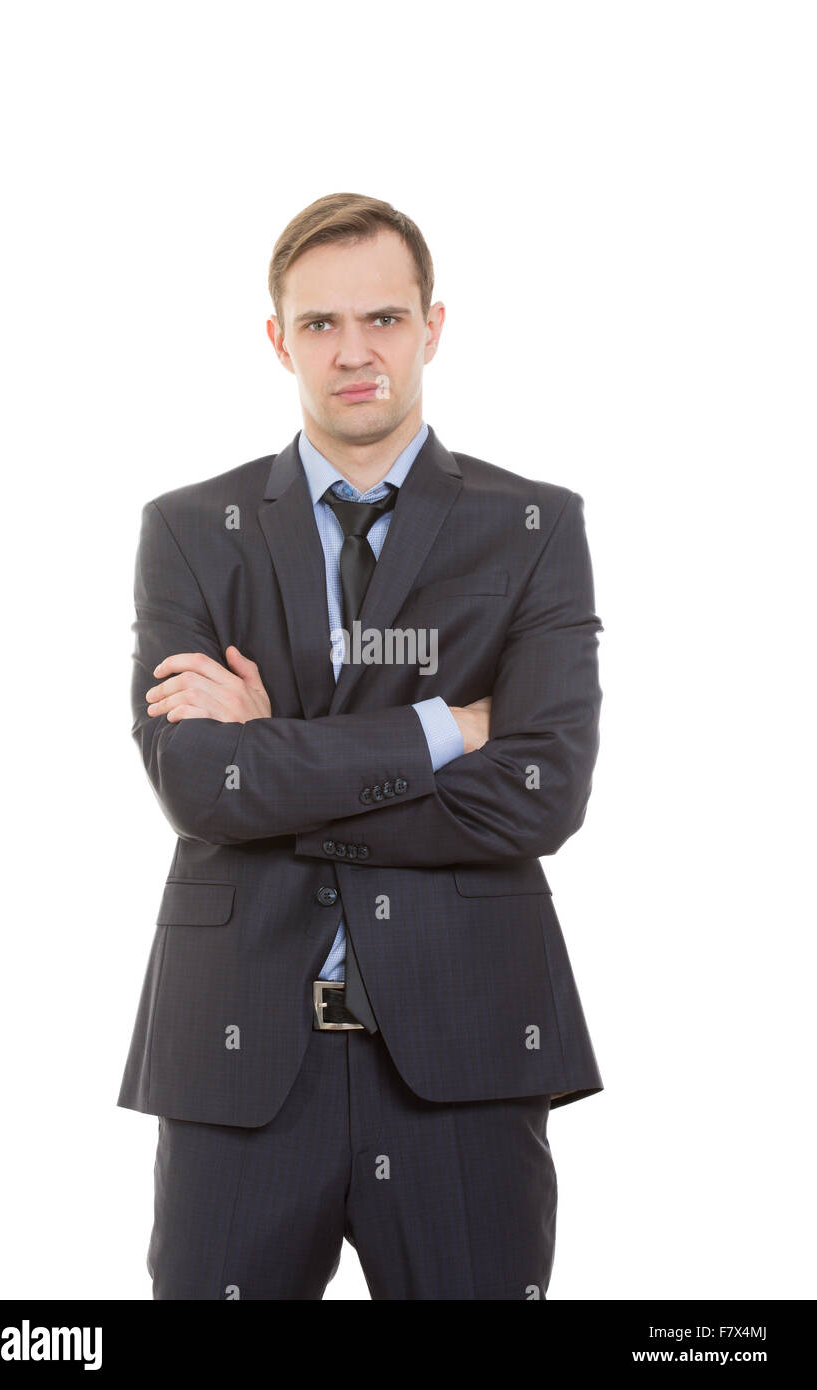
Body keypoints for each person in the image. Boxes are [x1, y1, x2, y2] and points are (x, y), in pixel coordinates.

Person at [117, 191, 604, 1300]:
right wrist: (440, 728)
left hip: (462, 1051)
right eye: (322, 324)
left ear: (431, 327)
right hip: (239, 1054)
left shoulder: (533, 528)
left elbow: (538, 794)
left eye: (382, 320)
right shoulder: (191, 531)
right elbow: (198, 786)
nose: (354, 352)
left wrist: (272, 756)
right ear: (278, 338)